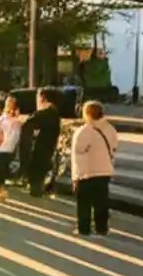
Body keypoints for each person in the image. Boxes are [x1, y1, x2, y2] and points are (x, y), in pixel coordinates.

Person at [71, 101, 118, 236]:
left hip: (86, 172)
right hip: (105, 170)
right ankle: (101, 228)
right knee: (101, 200)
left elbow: (78, 152)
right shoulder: (110, 129)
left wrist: (76, 176)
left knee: (84, 202)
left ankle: (84, 228)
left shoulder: (84, 131)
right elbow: (114, 146)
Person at [22, 90, 62, 197]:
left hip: (40, 148)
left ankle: (36, 191)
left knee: (37, 171)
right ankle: (39, 189)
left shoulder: (45, 113)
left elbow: (27, 126)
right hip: (49, 147)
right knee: (42, 170)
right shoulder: (55, 114)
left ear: (43, 98)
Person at [0, 97, 24, 201]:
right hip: (2, 147)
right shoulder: (3, 118)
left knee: (4, 171)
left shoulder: (17, 119)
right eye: (8, 103)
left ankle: (2, 192)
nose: (9, 105)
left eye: (11, 103)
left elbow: (17, 133)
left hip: (10, 148)